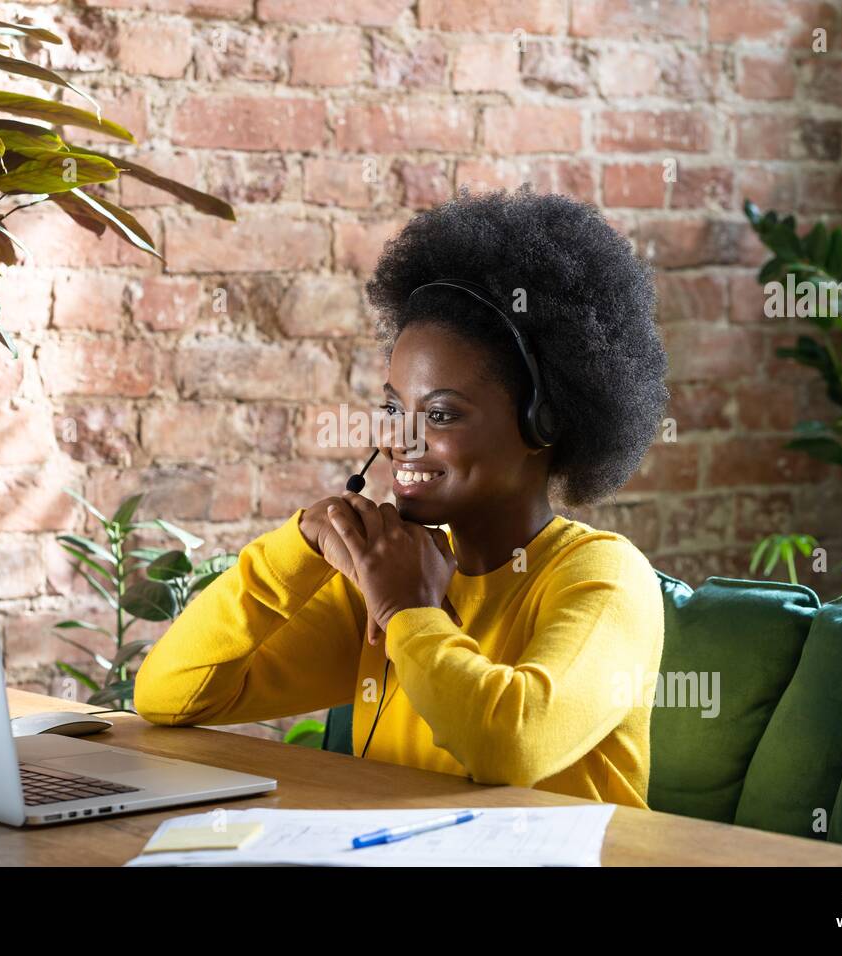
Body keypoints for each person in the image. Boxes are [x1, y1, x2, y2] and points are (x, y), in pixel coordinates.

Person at [134, 185, 670, 808]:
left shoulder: (603, 578)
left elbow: (511, 745)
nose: (398, 440)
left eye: (440, 415)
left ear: (541, 424)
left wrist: (407, 615)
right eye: (393, 407)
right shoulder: (389, 573)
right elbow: (170, 694)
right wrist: (297, 547)